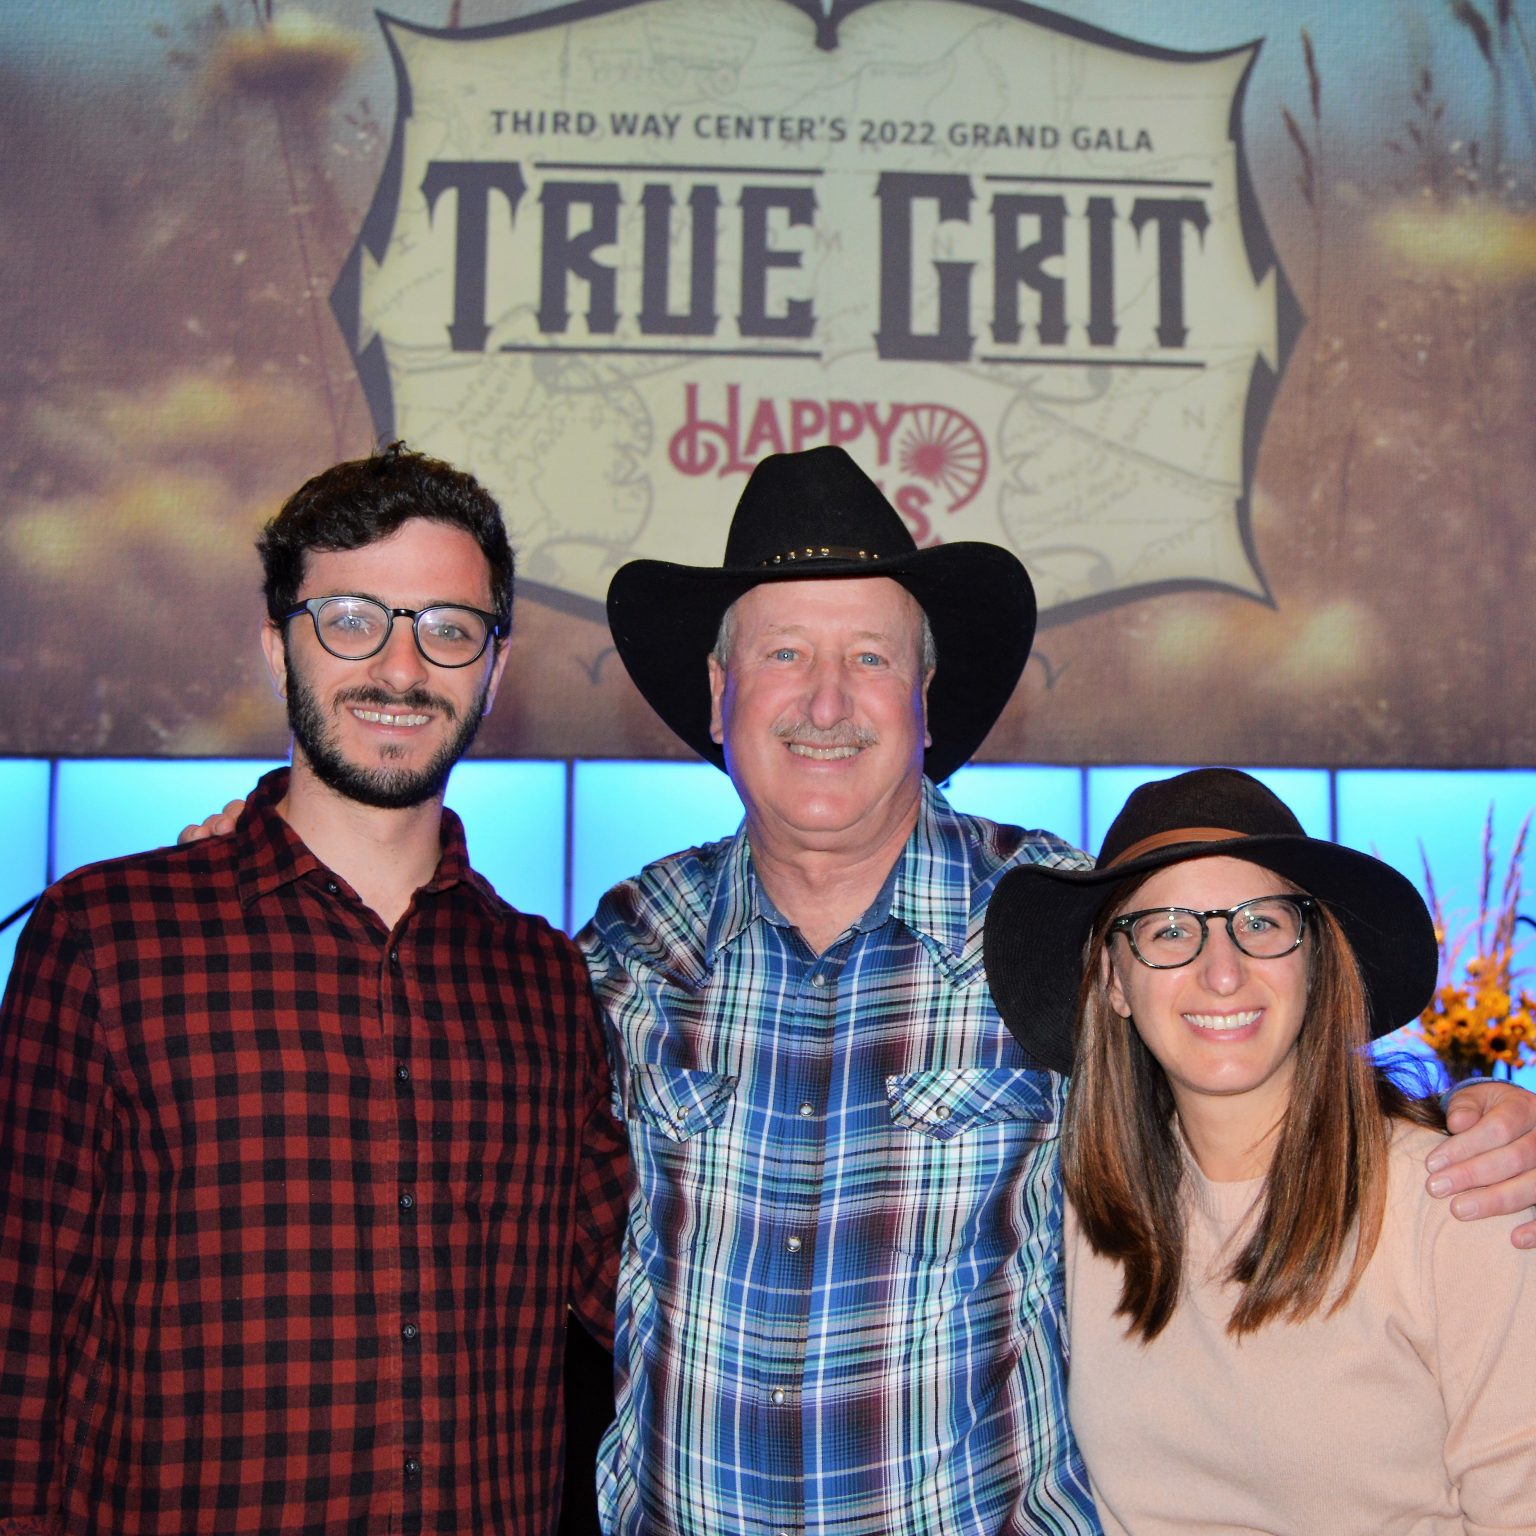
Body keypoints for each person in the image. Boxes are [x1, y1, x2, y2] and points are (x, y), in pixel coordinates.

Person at [580, 445, 1536, 1536]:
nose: (829, 699)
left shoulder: (1059, 930)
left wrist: (1473, 1127)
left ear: (925, 701)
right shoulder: (630, 941)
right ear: (720, 693)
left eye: (873, 659)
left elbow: (1245, 1066)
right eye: (786, 652)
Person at [0, 443, 629, 1535]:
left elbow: (657, 1286)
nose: (399, 667)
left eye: (446, 627)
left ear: (494, 663)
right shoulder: (106, 939)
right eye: (349, 618)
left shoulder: (547, 980)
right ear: (274, 645)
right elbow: (19, 1330)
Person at [982, 768, 1536, 1532]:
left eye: (1261, 922)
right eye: (1170, 929)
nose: (1222, 970)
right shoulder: (1076, 1204)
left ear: (1315, 955)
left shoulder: (1455, 1197)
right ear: (1114, 979)